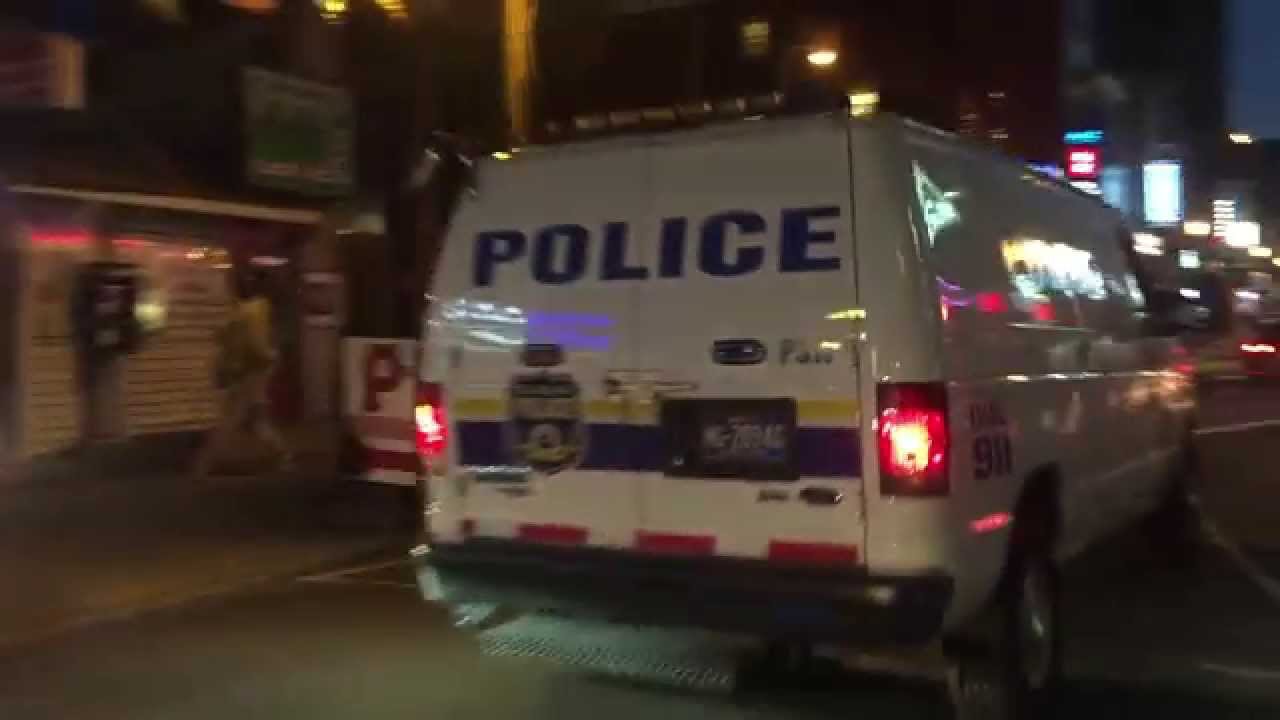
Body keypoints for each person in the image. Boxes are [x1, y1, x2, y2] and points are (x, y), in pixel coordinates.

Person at [193, 267, 292, 476]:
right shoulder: (249, 309)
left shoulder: (252, 310)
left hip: (248, 372)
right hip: (250, 371)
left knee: (230, 418)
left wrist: (267, 356)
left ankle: (205, 463)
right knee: (257, 420)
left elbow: (254, 343)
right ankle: (282, 455)